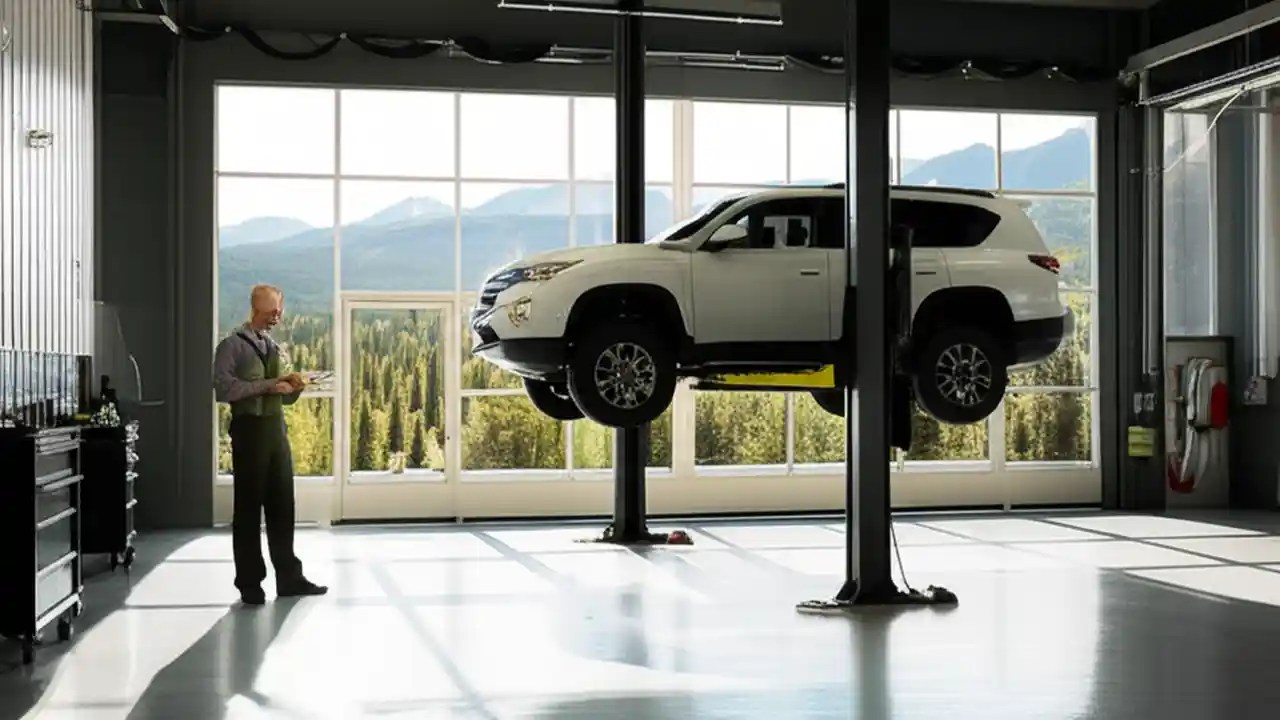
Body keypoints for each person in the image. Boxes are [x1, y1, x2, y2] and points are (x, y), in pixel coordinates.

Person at [213, 284, 328, 605]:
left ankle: (290, 578)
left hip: (276, 430)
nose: (277, 317)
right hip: (248, 431)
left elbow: (284, 399)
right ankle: (249, 583)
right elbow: (224, 389)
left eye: (279, 311)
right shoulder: (231, 346)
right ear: (256, 309)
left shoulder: (274, 346)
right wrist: (269, 386)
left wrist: (295, 386)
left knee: (282, 505)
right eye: (271, 311)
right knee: (248, 508)